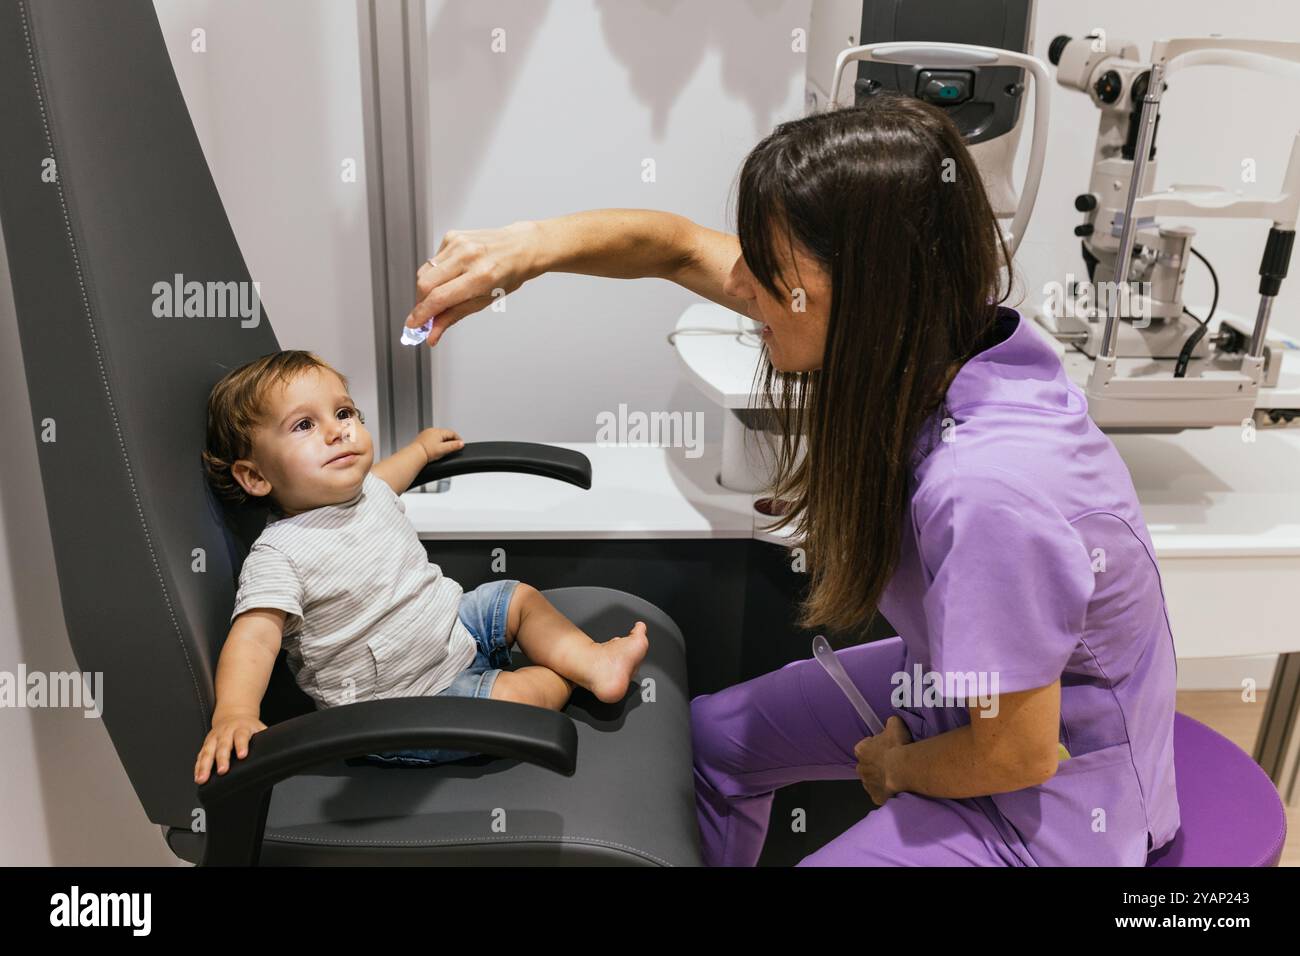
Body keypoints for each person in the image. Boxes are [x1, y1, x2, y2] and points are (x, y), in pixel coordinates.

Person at [401, 91, 1180, 866]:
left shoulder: (988, 490)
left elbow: (1017, 755)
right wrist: (526, 249)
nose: (746, 289)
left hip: (1055, 798)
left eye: (772, 270)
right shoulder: (929, 327)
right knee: (708, 740)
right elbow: (673, 248)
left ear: (869, 283)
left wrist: (897, 767)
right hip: (956, 686)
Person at [193, 350, 648, 783]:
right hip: (408, 706)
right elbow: (253, 638)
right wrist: (235, 714)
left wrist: (422, 450)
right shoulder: (280, 554)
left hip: (454, 628)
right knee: (518, 696)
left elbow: (393, 473)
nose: (337, 431)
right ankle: (564, 677)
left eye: (344, 413)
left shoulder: (365, 492)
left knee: (518, 597)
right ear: (255, 476)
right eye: (305, 424)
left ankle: (593, 663)